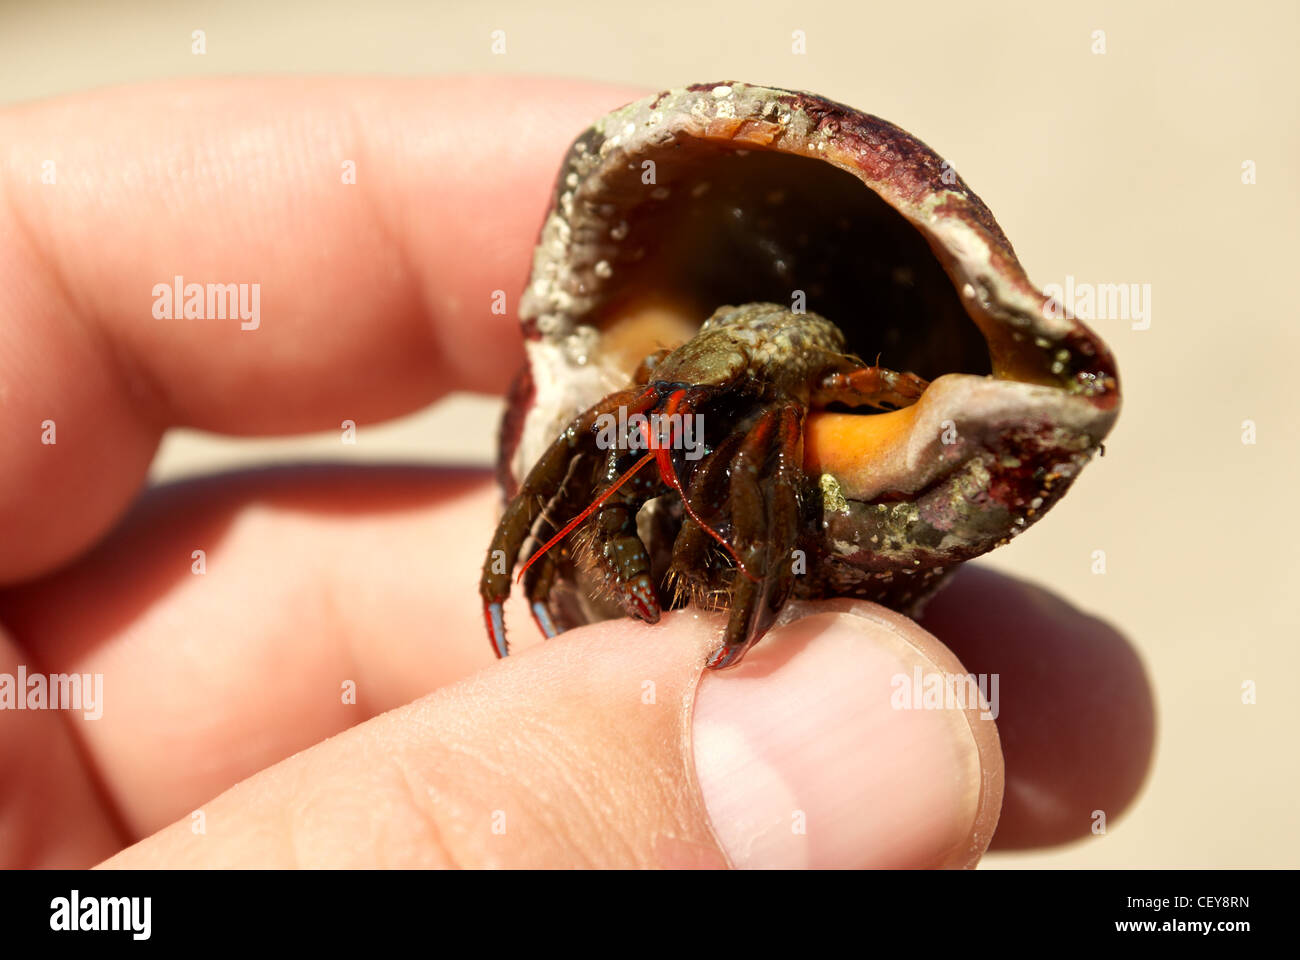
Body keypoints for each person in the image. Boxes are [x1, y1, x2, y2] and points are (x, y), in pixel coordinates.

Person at [0, 77, 1151, 869]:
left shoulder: (781, 408)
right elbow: (640, 427)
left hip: (794, 401)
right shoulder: (665, 399)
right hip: (727, 383)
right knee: (654, 444)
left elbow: (810, 427)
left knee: (741, 459)